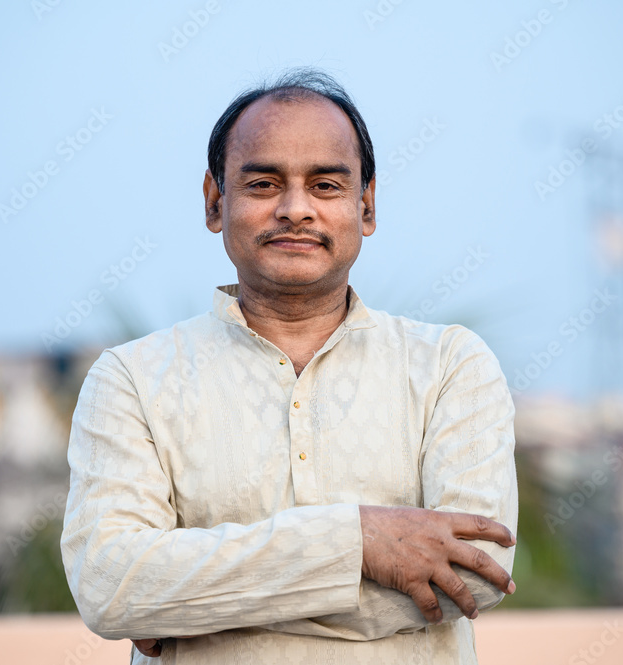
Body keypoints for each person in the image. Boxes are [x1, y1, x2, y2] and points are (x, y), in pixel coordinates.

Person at [60, 68, 518, 665]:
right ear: (214, 202)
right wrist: (361, 540)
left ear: (367, 205)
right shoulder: (133, 378)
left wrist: (195, 609)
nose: (296, 209)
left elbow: (474, 573)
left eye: (326, 185)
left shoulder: (451, 365)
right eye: (264, 184)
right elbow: (111, 587)